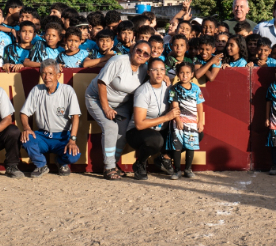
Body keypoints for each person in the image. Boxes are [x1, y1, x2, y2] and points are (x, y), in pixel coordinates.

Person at [86, 41, 151, 180]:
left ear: (148, 57)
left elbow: (156, 75)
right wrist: (106, 108)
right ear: (133, 50)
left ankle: (113, 164)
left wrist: (164, 77)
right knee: (110, 127)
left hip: (121, 105)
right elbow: (101, 83)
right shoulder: (118, 61)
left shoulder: (145, 68)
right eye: (139, 50)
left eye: (146, 54)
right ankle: (108, 167)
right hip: (96, 98)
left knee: (123, 131)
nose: (141, 55)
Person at [19, 60, 82, 178]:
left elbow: (75, 117)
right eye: (43, 73)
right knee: (26, 139)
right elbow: (24, 113)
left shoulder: (67, 90)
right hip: (43, 135)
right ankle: (41, 165)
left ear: (58, 75)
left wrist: (72, 140)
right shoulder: (37, 90)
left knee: (73, 155)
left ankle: (61, 162)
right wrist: (27, 128)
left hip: (62, 136)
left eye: (50, 74)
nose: (46, 77)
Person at [125, 58, 181, 181]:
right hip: (138, 132)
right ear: (148, 72)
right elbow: (139, 124)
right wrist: (166, 117)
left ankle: (164, 158)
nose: (159, 73)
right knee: (156, 140)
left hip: (160, 128)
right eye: (155, 70)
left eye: (162, 70)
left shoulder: (168, 87)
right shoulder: (143, 91)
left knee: (190, 134)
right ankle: (140, 164)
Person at [168, 62, 205, 179]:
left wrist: (200, 122)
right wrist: (178, 120)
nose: (185, 75)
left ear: (192, 74)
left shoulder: (196, 88)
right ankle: (177, 170)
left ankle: (188, 169)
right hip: (178, 123)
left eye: (187, 73)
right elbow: (174, 105)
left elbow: (200, 106)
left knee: (190, 145)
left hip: (192, 123)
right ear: (178, 74)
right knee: (177, 146)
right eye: (182, 73)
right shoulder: (174, 89)